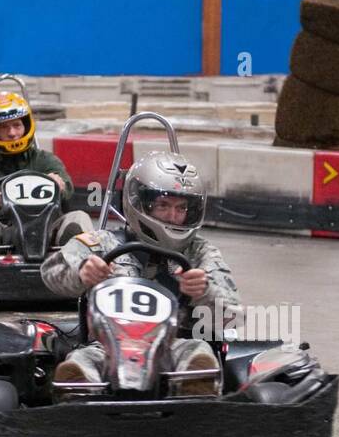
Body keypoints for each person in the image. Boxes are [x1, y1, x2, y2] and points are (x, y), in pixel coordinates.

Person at [41, 151, 239, 397]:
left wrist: (205, 292)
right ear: (139, 202)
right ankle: (82, 394)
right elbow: (49, 273)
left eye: (181, 208)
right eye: (163, 205)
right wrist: (82, 273)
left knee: (197, 352)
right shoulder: (102, 242)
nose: (172, 216)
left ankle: (193, 392)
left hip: (172, 345)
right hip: (107, 346)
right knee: (83, 359)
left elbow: (233, 318)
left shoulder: (201, 252)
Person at [0, 91, 91, 256]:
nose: (12, 133)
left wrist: (60, 186)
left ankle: (87, 271)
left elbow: (67, 190)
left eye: (17, 125)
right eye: (4, 127)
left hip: (47, 231)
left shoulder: (45, 160)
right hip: (4, 232)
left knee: (79, 217)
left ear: (26, 125)